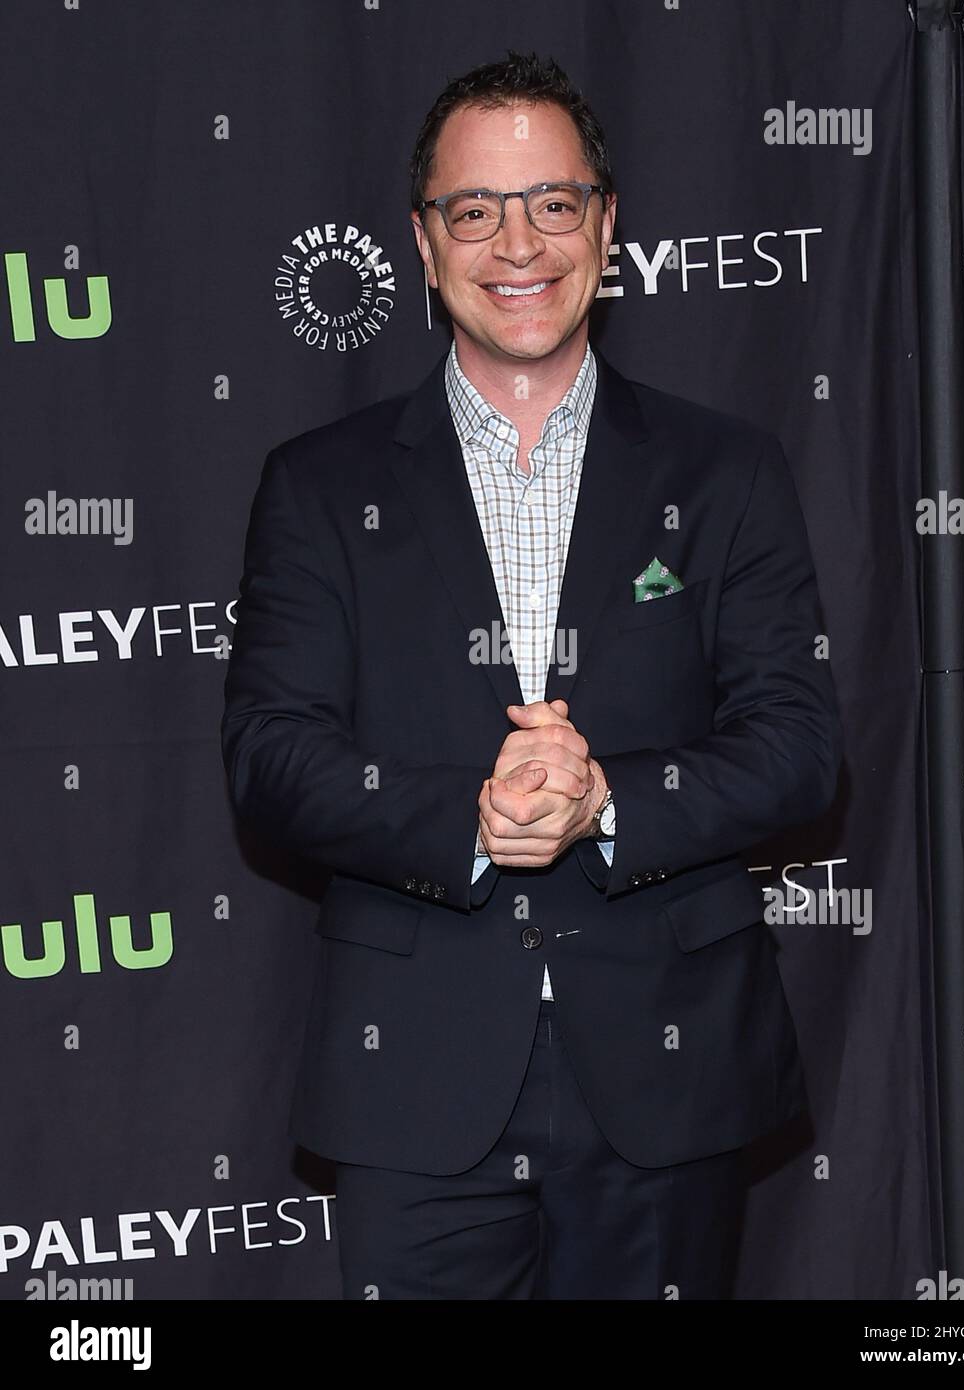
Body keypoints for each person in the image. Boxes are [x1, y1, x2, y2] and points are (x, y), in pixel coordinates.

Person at [221, 50, 843, 1300]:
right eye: (476, 210)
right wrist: (468, 813)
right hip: (415, 1086)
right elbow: (271, 758)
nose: (519, 243)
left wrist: (606, 794)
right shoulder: (320, 485)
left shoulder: (726, 471)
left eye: (554, 203)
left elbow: (798, 746)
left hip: (667, 1081)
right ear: (423, 239)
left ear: (606, 226)